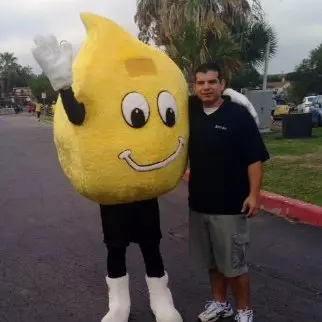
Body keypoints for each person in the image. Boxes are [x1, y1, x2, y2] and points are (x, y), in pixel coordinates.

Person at [188, 62, 270, 322]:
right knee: (212, 263)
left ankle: (245, 310)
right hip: (199, 204)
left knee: (234, 265)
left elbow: (254, 159)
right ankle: (220, 303)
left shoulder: (237, 115)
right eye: (201, 82)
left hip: (230, 205)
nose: (206, 87)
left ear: (222, 84)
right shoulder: (191, 111)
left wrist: (254, 194)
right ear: (194, 86)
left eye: (212, 82)